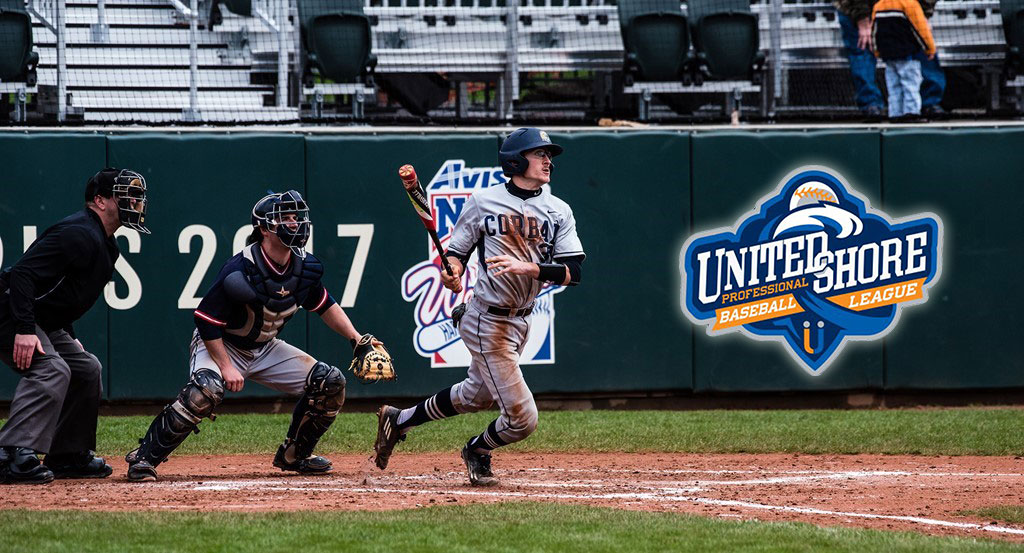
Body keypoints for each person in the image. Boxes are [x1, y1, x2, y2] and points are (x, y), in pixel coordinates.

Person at [372, 128, 586, 486]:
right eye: (540, 153)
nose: (548, 160)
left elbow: (573, 273)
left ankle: (399, 419)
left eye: (549, 154)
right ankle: (477, 449)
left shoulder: (558, 210)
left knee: (475, 395)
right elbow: (456, 253)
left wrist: (528, 268)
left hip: (521, 321)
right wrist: (452, 272)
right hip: (488, 320)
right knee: (523, 419)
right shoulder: (484, 201)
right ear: (515, 161)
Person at [124, 190, 385, 482]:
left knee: (331, 383)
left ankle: (294, 455)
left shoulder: (304, 267)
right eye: (285, 218)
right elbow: (206, 321)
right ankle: (144, 458)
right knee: (204, 392)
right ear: (264, 228)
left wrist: (356, 339)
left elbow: (325, 305)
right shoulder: (241, 268)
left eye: (296, 217)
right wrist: (225, 366)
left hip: (264, 347)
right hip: (222, 344)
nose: (294, 223)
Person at [0, 168, 149, 484]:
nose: (134, 203)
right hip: (9, 309)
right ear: (100, 201)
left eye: (136, 197)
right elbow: (23, 275)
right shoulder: (78, 233)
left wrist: (68, 336)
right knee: (52, 368)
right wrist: (24, 330)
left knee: (86, 368)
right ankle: (10, 453)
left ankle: (67, 454)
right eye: (125, 195)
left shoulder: (106, 245)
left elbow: (59, 296)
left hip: (35, 316)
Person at [834, 0, 945, 118]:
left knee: (900, 76)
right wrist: (861, 17)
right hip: (860, 6)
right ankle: (875, 105)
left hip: (905, 7)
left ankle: (921, 105)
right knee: (863, 48)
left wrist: (922, 15)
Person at [872, 0, 936, 120]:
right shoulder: (910, 4)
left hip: (889, 56)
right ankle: (912, 112)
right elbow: (921, 29)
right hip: (908, 54)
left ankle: (895, 113)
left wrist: (877, 51)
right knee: (911, 84)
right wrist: (929, 48)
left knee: (893, 86)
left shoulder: (879, 5)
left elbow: (874, 31)